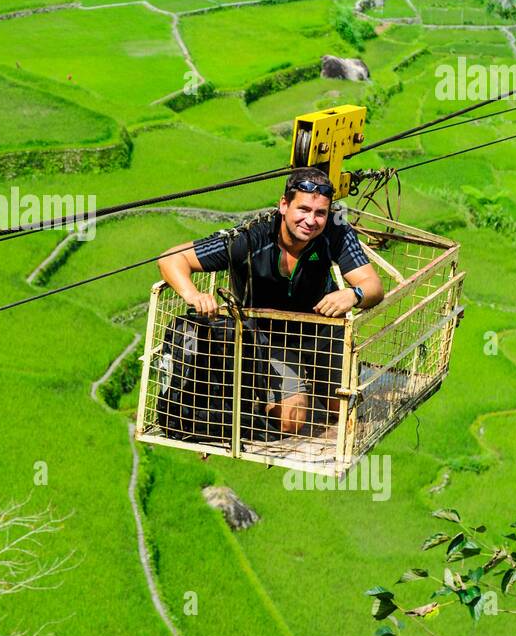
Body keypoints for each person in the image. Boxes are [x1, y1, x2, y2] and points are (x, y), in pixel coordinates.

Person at [158, 167, 384, 439]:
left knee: (344, 410)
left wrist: (353, 294)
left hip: (322, 332)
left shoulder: (335, 232)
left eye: (320, 213)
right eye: (303, 209)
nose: (311, 220)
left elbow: (373, 286)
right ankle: (265, 397)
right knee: (292, 420)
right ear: (284, 205)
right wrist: (193, 295)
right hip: (271, 340)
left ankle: (314, 380)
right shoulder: (251, 239)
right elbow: (171, 258)